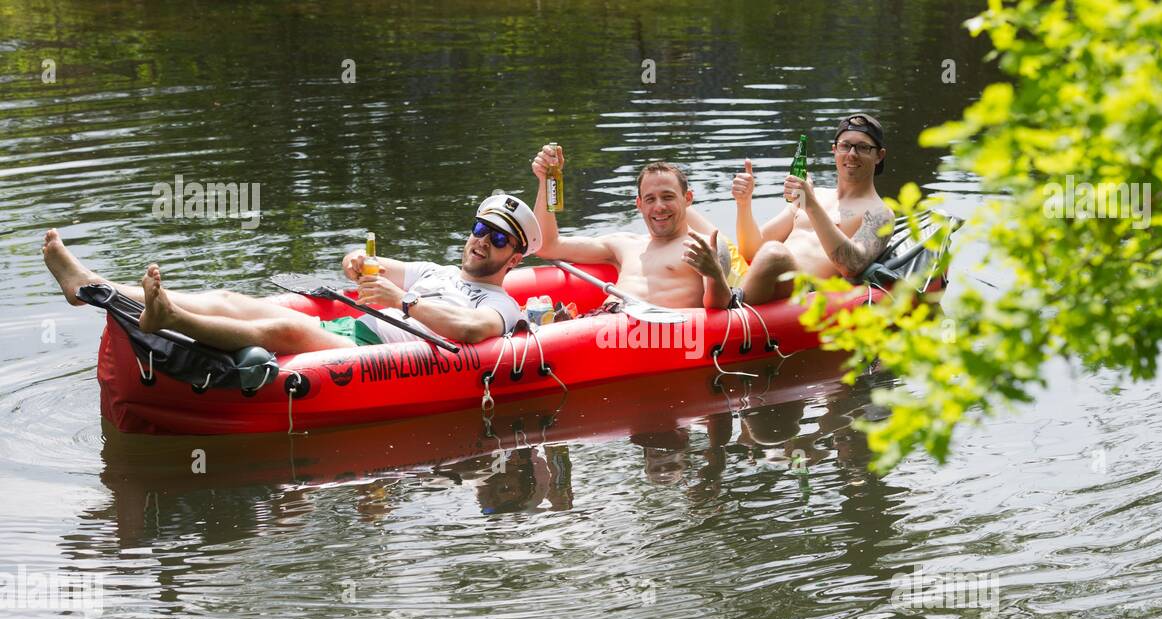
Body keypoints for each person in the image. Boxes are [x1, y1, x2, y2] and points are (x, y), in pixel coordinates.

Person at [41, 194, 537, 353]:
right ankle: (90, 286)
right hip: (353, 330)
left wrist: (402, 301)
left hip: (381, 352)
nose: (480, 240)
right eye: (479, 227)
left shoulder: (502, 305)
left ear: (514, 258)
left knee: (288, 328)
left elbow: (472, 331)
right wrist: (355, 260)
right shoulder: (435, 269)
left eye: (497, 239)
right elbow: (371, 264)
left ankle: (168, 315)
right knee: (231, 296)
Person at [685, 113, 898, 306]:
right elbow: (752, 249)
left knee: (775, 254)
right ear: (834, 150)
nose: (852, 154)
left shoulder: (880, 213)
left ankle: (731, 307)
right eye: (845, 146)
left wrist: (811, 206)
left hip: (807, 295)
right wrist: (744, 203)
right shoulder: (816, 194)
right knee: (710, 244)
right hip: (765, 279)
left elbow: (852, 265)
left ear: (879, 155)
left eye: (863, 147)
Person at [530, 144, 734, 310]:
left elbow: (718, 308)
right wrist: (547, 180)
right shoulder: (623, 244)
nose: (659, 207)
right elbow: (547, 246)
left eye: (668, 197)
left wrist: (714, 274)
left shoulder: (705, 246)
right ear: (639, 204)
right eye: (650, 199)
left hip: (660, 337)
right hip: (605, 327)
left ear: (687, 198)